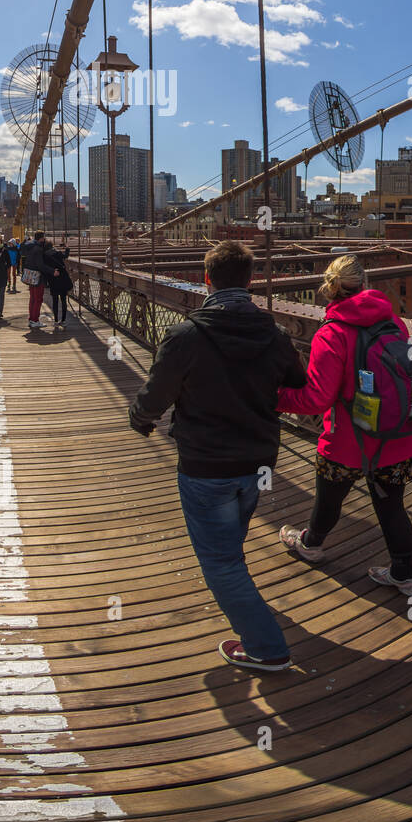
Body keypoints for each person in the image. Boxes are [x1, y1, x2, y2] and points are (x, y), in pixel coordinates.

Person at [130, 240, 306, 673]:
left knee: (220, 562)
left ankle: (267, 648)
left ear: (206, 279)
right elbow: (298, 382)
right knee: (230, 547)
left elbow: (157, 394)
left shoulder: (186, 336)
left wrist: (141, 418)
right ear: (251, 282)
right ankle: (245, 603)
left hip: (207, 465)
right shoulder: (274, 334)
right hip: (259, 463)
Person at [276, 255, 412, 598]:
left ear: (328, 289)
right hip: (395, 439)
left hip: (347, 442)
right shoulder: (396, 324)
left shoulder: (331, 333)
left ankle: (311, 544)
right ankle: (406, 577)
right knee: (392, 507)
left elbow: (317, 398)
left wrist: (276, 398)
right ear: (365, 283)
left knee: (329, 502)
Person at [40, 238, 71, 332]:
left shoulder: (45, 255)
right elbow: (66, 256)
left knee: (55, 300)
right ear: (52, 245)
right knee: (63, 300)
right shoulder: (57, 253)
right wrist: (67, 248)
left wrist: (45, 281)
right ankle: (64, 320)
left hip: (53, 279)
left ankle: (56, 320)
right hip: (62, 278)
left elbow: (45, 269)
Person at [17, 234, 46, 329]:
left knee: (33, 299)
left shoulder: (30, 247)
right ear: (41, 238)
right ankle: (35, 320)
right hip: (37, 277)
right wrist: (51, 271)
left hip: (30, 276)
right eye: (44, 238)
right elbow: (40, 265)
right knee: (38, 299)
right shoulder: (38, 249)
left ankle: (31, 319)